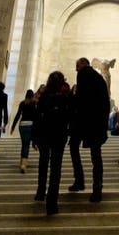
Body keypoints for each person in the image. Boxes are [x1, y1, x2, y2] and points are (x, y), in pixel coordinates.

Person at [70, 57, 110, 202]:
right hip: (96, 123)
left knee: (74, 147)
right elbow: (105, 102)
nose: (76, 69)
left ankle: (79, 180)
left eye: (77, 65)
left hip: (83, 121)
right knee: (96, 156)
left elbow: (81, 99)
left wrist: (72, 97)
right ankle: (97, 188)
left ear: (83, 64)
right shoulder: (99, 78)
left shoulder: (83, 74)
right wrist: (103, 123)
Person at [32, 70, 71, 215]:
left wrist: (34, 137)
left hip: (44, 134)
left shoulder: (44, 96)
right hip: (58, 135)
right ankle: (52, 202)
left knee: (43, 163)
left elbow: (37, 116)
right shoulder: (65, 97)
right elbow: (69, 116)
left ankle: (40, 192)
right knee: (56, 168)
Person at [10, 88, 36, 172]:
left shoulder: (22, 103)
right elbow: (36, 116)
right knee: (26, 144)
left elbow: (18, 115)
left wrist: (13, 127)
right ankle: (24, 164)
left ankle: (22, 161)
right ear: (32, 95)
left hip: (22, 125)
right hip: (30, 125)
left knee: (24, 143)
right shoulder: (34, 103)